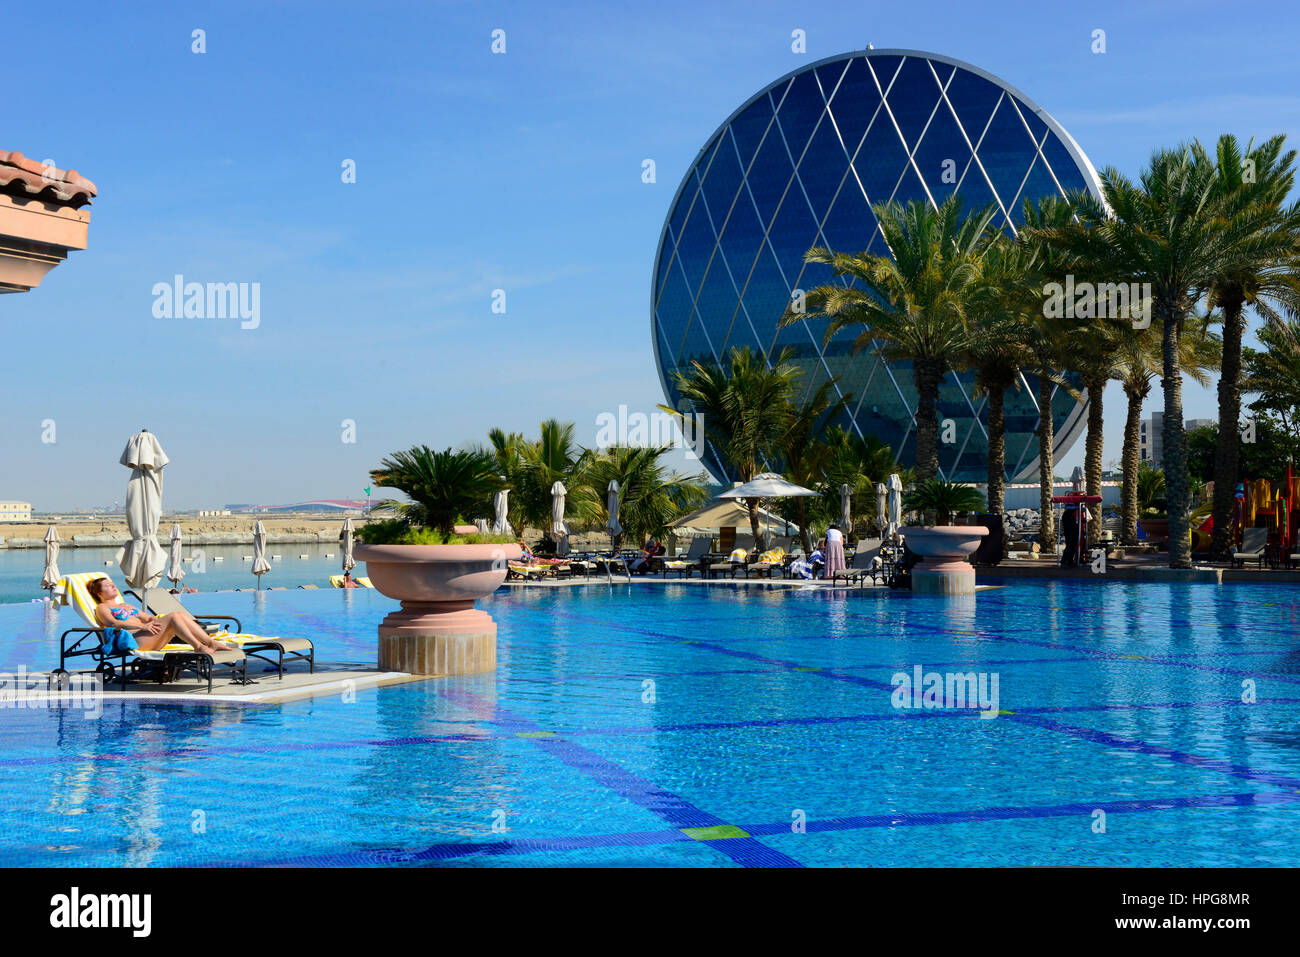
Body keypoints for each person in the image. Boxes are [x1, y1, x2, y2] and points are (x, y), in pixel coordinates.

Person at [87, 577, 238, 653]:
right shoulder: (102, 607)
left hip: (148, 635)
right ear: (100, 593)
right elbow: (113, 623)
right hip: (134, 640)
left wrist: (152, 621)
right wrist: (142, 625)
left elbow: (147, 617)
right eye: (107, 586)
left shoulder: (125, 605)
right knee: (173, 617)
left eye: (112, 583)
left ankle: (209, 642)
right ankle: (198, 646)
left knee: (177, 614)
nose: (113, 586)